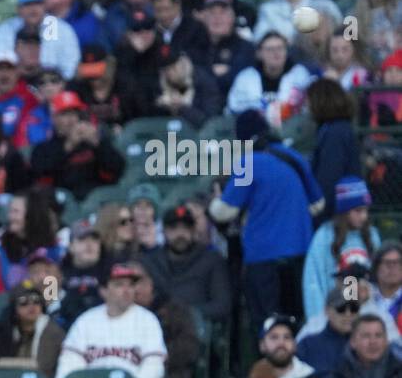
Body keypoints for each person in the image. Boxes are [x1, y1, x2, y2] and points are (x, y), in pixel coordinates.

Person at [210, 111, 324, 332]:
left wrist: (215, 200)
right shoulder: (295, 158)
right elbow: (317, 204)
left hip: (263, 259)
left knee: (266, 326)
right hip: (300, 254)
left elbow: (224, 212)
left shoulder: (248, 162)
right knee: (295, 322)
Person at [54, 263, 166, 378]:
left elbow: (154, 365)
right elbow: (69, 363)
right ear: (103, 291)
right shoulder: (86, 320)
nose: (127, 290)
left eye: (131, 285)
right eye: (119, 285)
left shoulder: (147, 320)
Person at [139, 204, 230, 323]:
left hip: (199, 330)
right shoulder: (149, 262)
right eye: (174, 228)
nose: (180, 234)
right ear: (164, 231)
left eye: (186, 228)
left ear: (193, 231)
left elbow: (222, 305)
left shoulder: (211, 260)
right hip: (155, 327)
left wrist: (185, 313)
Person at [302, 178, 380, 317]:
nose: (364, 216)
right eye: (358, 210)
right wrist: (318, 319)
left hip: (368, 315)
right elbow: (313, 283)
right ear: (344, 211)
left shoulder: (372, 234)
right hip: (335, 315)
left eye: (366, 210)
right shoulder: (324, 236)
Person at [28, 91, 123, 200]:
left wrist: (97, 144)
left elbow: (118, 167)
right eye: (64, 114)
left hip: (96, 200)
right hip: (62, 203)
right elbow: (41, 171)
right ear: (54, 119)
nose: (71, 120)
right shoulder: (43, 148)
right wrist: (69, 146)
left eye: (74, 113)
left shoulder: (92, 142)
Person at [0, 280, 64, 378]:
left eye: (36, 301)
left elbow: (46, 368)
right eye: (23, 302)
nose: (31, 306)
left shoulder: (53, 332)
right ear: (14, 309)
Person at [307, 79, 364, 209]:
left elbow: (329, 177)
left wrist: (317, 209)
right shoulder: (335, 128)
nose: (307, 106)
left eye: (309, 100)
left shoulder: (335, 132)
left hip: (338, 212)